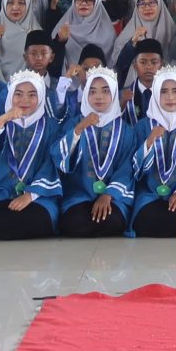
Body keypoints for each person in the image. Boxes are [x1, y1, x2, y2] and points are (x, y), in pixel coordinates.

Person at [0, 69, 60, 240]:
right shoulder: (1, 122)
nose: (24, 100)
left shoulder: (51, 127)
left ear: (41, 97)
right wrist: (2, 120)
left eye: (32, 95)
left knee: (38, 221)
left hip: (39, 196)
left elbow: (52, 165)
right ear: (10, 96)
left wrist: (30, 195)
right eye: (18, 94)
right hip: (1, 193)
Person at [54, 66, 134, 237]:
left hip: (113, 198)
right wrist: (78, 130)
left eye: (105, 91)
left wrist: (108, 195)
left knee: (113, 221)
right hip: (79, 194)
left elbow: (127, 169)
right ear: (85, 94)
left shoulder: (126, 131)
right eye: (92, 91)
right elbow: (59, 157)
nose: (98, 96)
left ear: (114, 94)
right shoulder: (74, 123)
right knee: (72, 222)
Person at [128, 68, 176, 237]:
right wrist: (149, 142)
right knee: (145, 219)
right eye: (164, 91)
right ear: (156, 94)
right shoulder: (143, 127)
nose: (170, 97)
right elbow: (133, 169)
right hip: (149, 193)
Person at [54, 0, 119, 65]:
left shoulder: (108, 33)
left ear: (97, 2)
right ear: (74, 0)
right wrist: (60, 41)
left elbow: (111, 66)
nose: (84, 3)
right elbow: (51, 62)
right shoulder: (62, 28)